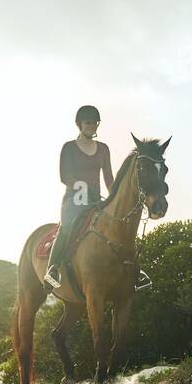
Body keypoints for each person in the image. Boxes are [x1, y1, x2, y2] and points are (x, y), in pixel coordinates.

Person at [45, 105, 114, 290]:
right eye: (88, 122)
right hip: (73, 201)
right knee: (67, 227)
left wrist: (115, 197)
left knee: (117, 224)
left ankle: (133, 271)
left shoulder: (103, 149)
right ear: (80, 124)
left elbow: (108, 178)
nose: (92, 126)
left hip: (95, 201)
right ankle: (52, 270)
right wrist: (82, 185)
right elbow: (64, 176)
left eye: (95, 123)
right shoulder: (69, 148)